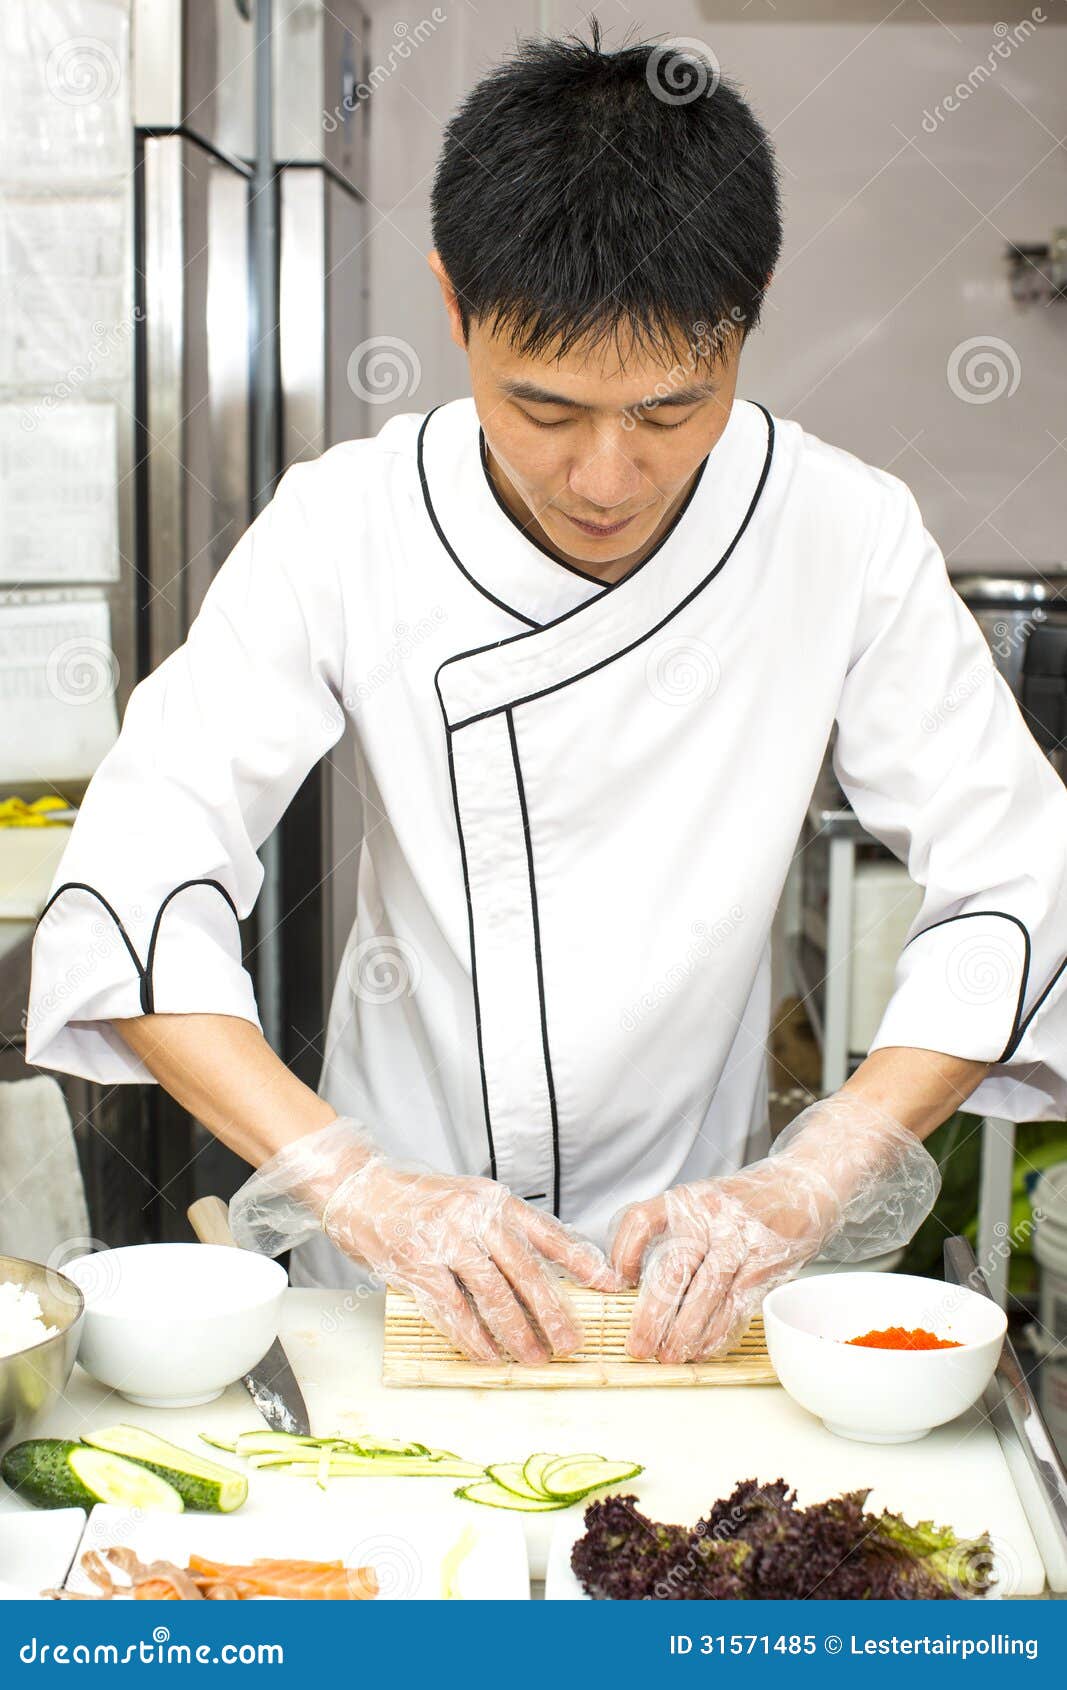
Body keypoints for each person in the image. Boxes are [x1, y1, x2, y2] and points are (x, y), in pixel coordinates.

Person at [26, 28, 1067, 1366]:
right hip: (391, 1269)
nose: (607, 477)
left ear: (748, 322)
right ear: (454, 307)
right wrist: (353, 1182)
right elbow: (133, 882)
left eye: (673, 409)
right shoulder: (347, 523)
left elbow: (1020, 877)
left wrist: (820, 1173)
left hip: (701, 1275)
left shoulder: (841, 531)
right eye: (547, 408)